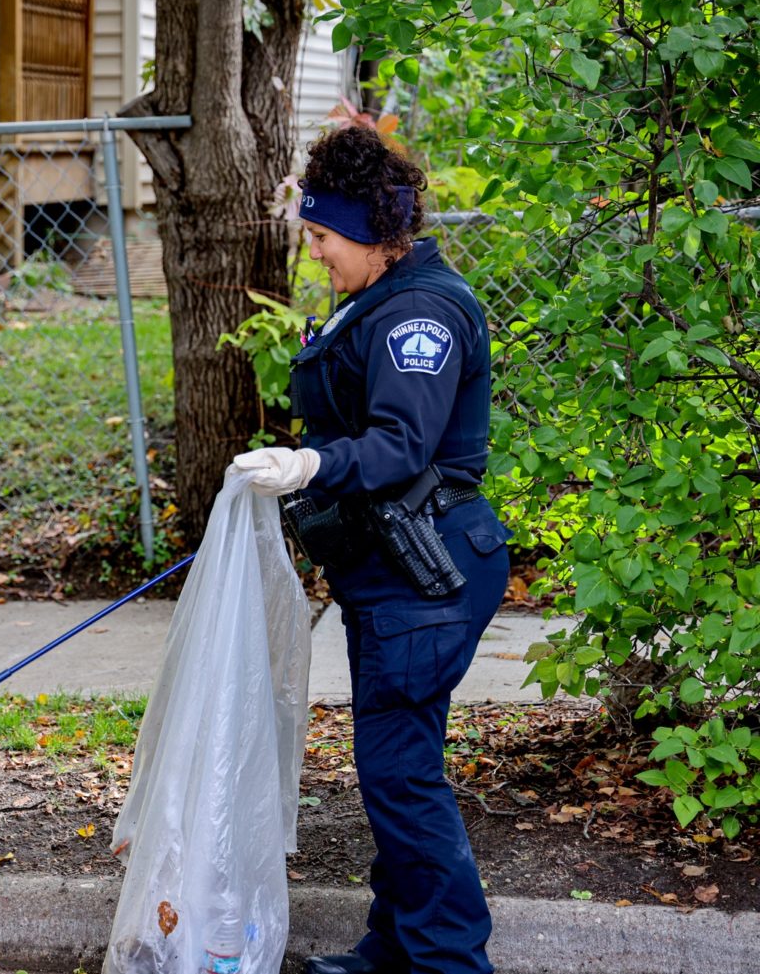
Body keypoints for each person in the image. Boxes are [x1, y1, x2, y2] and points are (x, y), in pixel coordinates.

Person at [233, 125, 510, 974]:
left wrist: (310, 461)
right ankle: (396, 946)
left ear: (370, 230)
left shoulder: (419, 314)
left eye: (321, 237)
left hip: (426, 576)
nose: (315, 254)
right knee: (398, 766)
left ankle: (452, 962)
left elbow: (401, 442)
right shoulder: (381, 291)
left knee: (400, 775)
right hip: (394, 570)